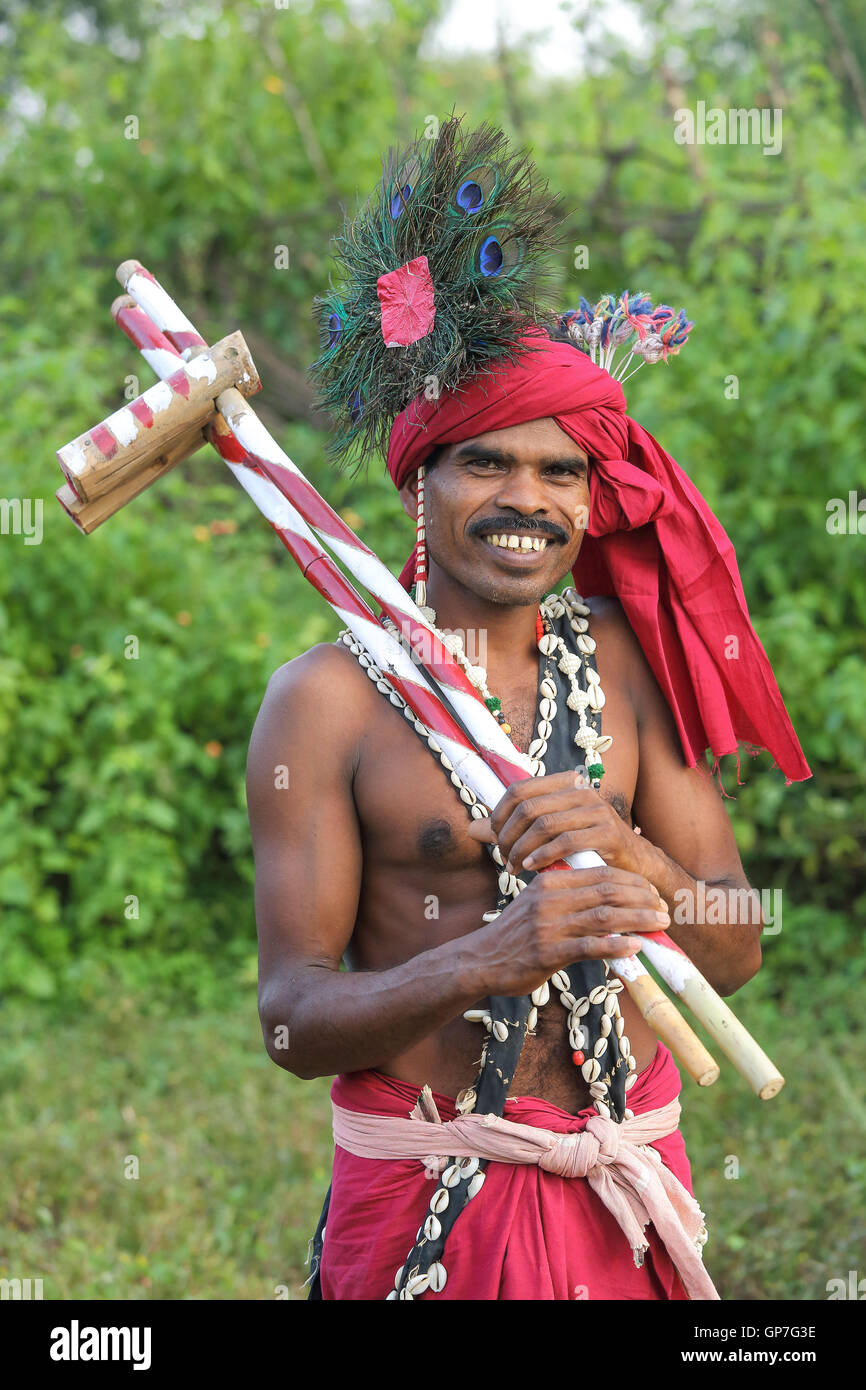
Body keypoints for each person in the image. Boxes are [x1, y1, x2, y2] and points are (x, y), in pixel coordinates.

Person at [245, 117, 809, 1301]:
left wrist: (632, 854)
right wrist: (485, 956)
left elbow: (738, 941)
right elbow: (293, 1023)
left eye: (560, 472)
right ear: (420, 480)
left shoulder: (626, 661)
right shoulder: (326, 702)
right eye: (486, 463)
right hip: (428, 1200)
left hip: (626, 1180)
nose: (527, 500)